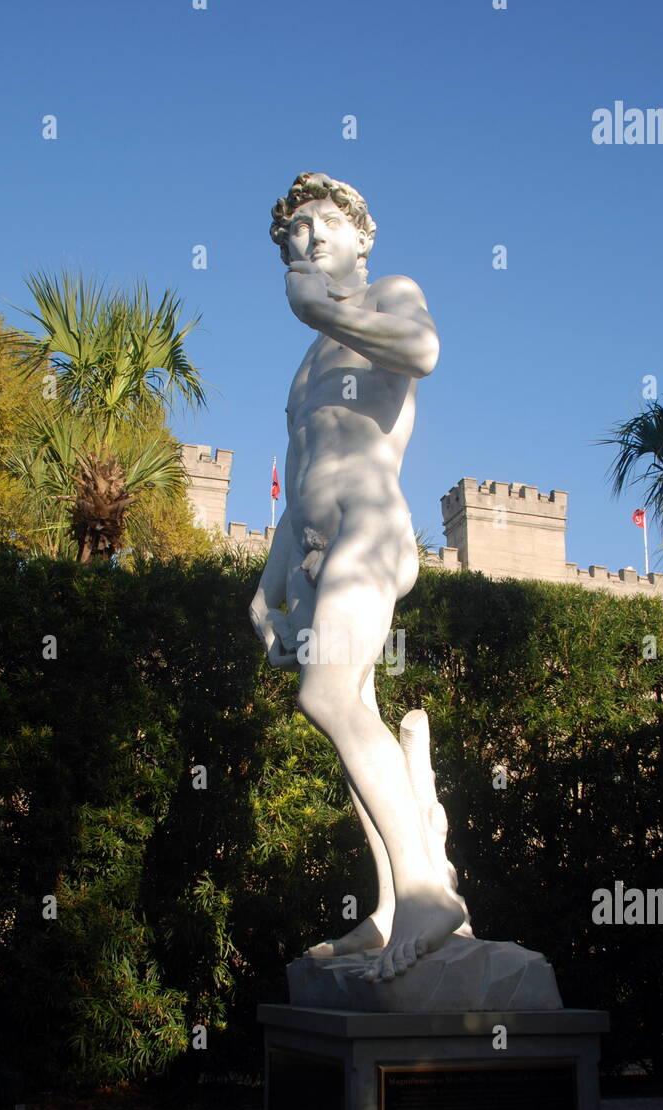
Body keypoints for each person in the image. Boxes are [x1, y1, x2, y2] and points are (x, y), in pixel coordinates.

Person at [249, 173, 468, 984]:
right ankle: (387, 908)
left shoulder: (388, 295)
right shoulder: (306, 364)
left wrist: (330, 311)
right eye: (292, 233)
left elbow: (425, 352)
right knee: (353, 723)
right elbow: (299, 468)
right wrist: (266, 585)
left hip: (370, 530)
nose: (304, 241)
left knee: (328, 696)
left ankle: (426, 893)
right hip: (309, 548)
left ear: (359, 237)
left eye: (320, 226)